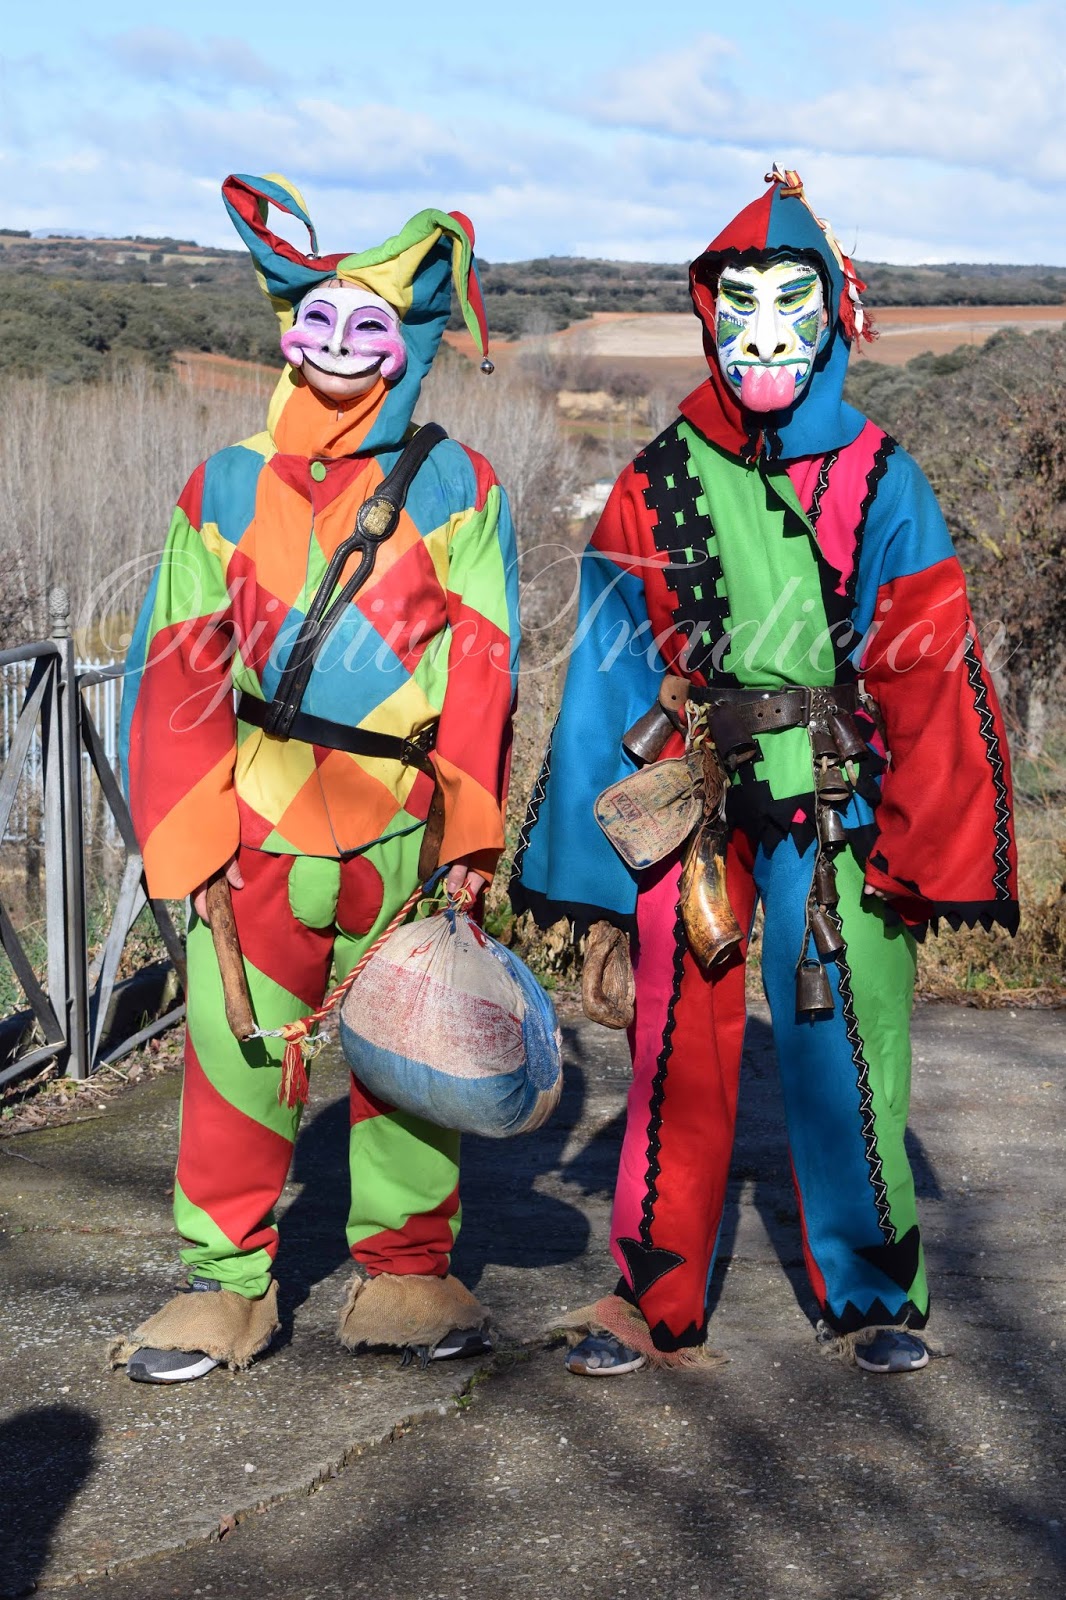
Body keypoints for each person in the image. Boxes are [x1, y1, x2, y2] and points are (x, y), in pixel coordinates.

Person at [511, 166, 1017, 1377]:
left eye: (790, 304)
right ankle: (651, 1291)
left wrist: (924, 839)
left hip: (840, 789)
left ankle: (874, 1286)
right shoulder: (657, 475)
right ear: (707, 315)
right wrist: (591, 877)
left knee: (843, 1031)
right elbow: (611, 675)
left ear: (832, 317)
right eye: (738, 308)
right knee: (672, 1042)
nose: (765, 335)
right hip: (694, 788)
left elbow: (930, 665)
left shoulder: (882, 477)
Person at [115, 172, 519, 1383]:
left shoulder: (461, 487)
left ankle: (404, 1270)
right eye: (319, 322)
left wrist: (466, 838)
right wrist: (184, 837)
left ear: (409, 346)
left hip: (402, 822)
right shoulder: (222, 485)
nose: (339, 349)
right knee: (233, 1055)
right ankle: (228, 1283)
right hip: (253, 818)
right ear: (284, 331)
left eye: (369, 328)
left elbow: (482, 667)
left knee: (412, 1051)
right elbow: (175, 662)